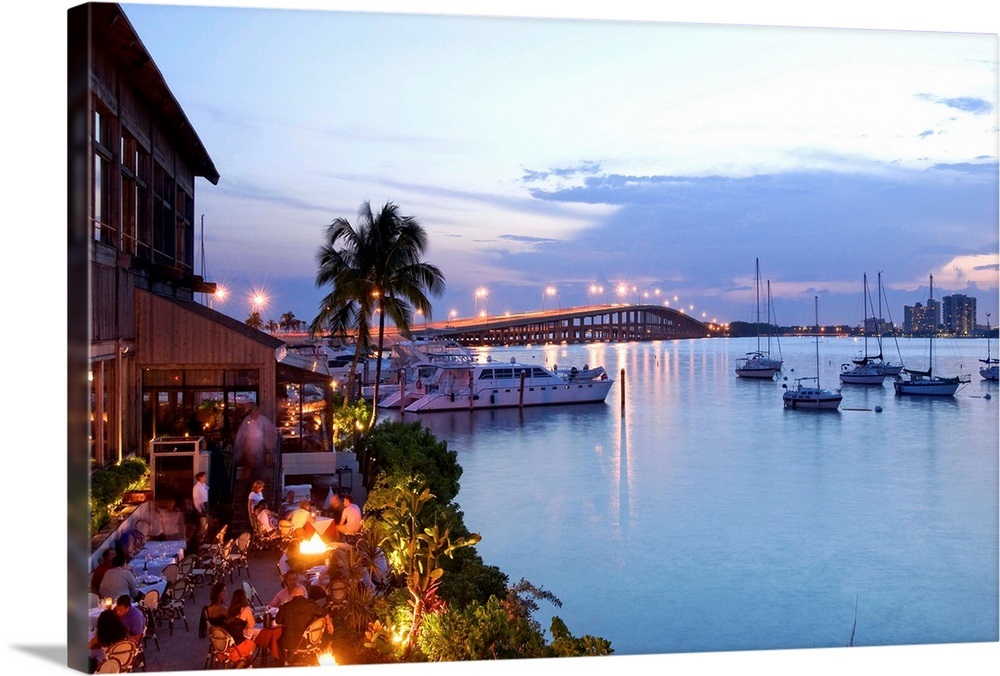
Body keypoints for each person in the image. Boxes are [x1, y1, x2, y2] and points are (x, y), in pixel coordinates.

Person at [274, 585, 333, 663]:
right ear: (304, 594)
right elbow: (324, 613)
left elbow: (278, 621)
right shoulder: (311, 604)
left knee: (277, 639)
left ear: (292, 595)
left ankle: (283, 663)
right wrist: (329, 624)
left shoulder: (285, 607)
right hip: (309, 643)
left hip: (290, 643)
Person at [233, 406, 276, 485]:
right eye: (253, 413)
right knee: (249, 466)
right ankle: (248, 484)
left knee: (257, 467)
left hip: (259, 447)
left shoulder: (263, 420)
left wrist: (269, 443)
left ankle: (257, 484)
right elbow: (241, 432)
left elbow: (270, 429)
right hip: (249, 447)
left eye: (256, 413)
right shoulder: (247, 420)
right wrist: (239, 443)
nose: (254, 415)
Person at [193, 471, 210, 537]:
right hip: (200, 505)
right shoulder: (196, 488)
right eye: (204, 477)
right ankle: (202, 537)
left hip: (205, 503)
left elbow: (208, 489)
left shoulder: (204, 485)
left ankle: (205, 535)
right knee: (203, 523)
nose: (205, 478)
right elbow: (197, 500)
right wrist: (200, 510)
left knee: (206, 523)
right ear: (200, 478)